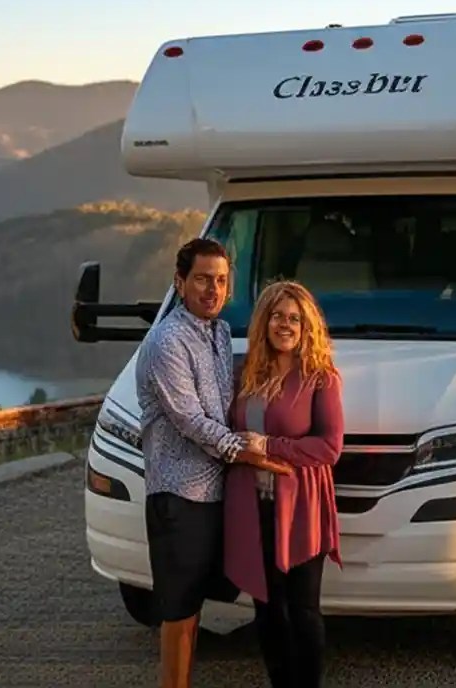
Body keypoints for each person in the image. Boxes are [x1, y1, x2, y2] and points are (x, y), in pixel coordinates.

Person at [136, 238, 291, 688]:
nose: (213, 289)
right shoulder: (166, 341)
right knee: (179, 610)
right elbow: (193, 422)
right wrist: (257, 453)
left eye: (221, 281)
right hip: (179, 494)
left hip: (218, 492)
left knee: (201, 604)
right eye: (203, 279)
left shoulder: (220, 333)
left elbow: (230, 400)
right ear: (180, 282)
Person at [223, 280, 345, 688]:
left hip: (301, 507)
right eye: (278, 316)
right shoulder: (246, 374)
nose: (286, 325)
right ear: (265, 322)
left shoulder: (321, 377)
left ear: (306, 325)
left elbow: (329, 448)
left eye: (294, 318)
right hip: (253, 504)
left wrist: (270, 445)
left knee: (303, 609)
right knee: (266, 606)